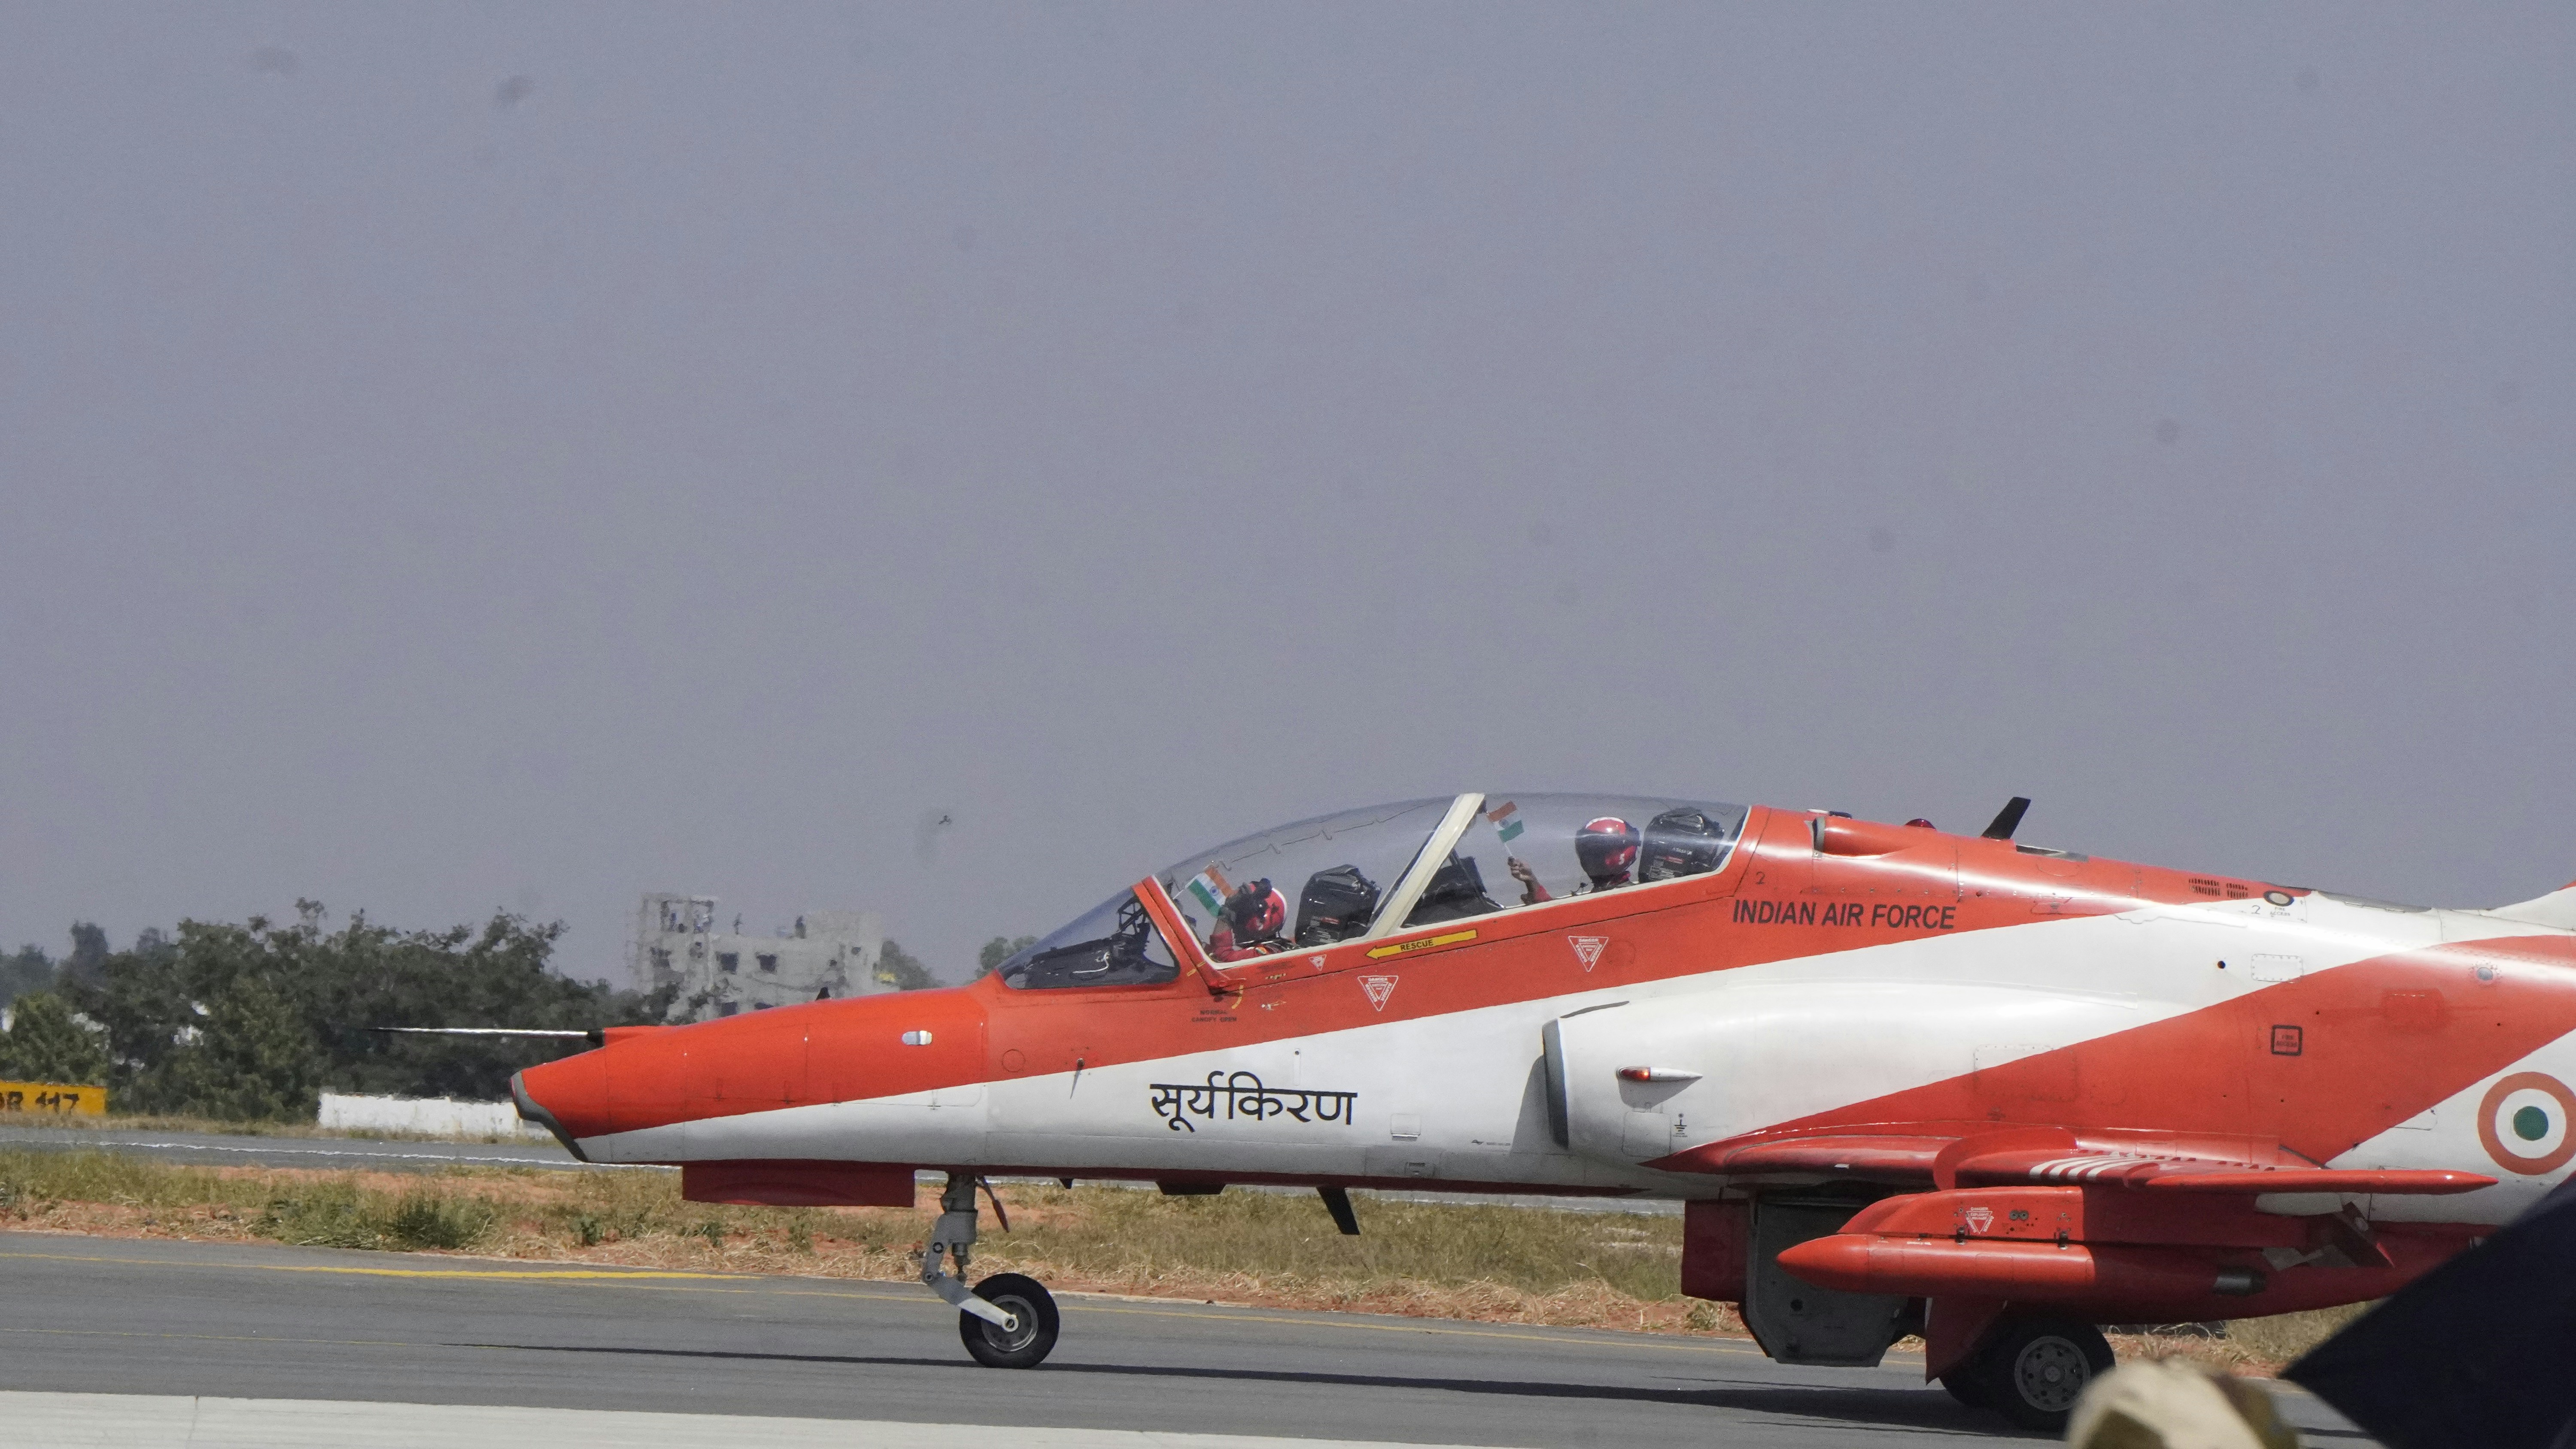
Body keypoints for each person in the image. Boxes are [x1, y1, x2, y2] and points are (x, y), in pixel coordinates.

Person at [1508, 816, 1640, 905]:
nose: (1590, 857)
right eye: (1587, 851)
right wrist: (1532, 882)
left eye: (1596, 852)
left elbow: (1561, 920)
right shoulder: (1601, 895)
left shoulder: (1633, 901)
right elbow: (1560, 918)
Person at [1206, 878, 1288, 961]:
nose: (1235, 926)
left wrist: (1228, 914)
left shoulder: (1264, 954)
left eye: (1240, 917)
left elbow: (1221, 956)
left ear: (1260, 923)